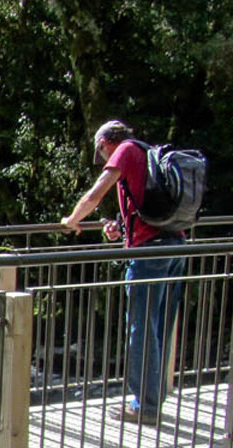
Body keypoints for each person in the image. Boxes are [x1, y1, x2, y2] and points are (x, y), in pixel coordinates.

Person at [61, 120, 187, 425]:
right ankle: (153, 399)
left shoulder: (125, 151)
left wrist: (72, 219)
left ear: (105, 144)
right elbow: (145, 204)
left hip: (150, 253)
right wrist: (120, 227)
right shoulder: (146, 152)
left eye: (101, 155)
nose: (103, 160)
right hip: (176, 245)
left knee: (141, 329)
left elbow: (95, 194)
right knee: (158, 327)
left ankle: (144, 406)